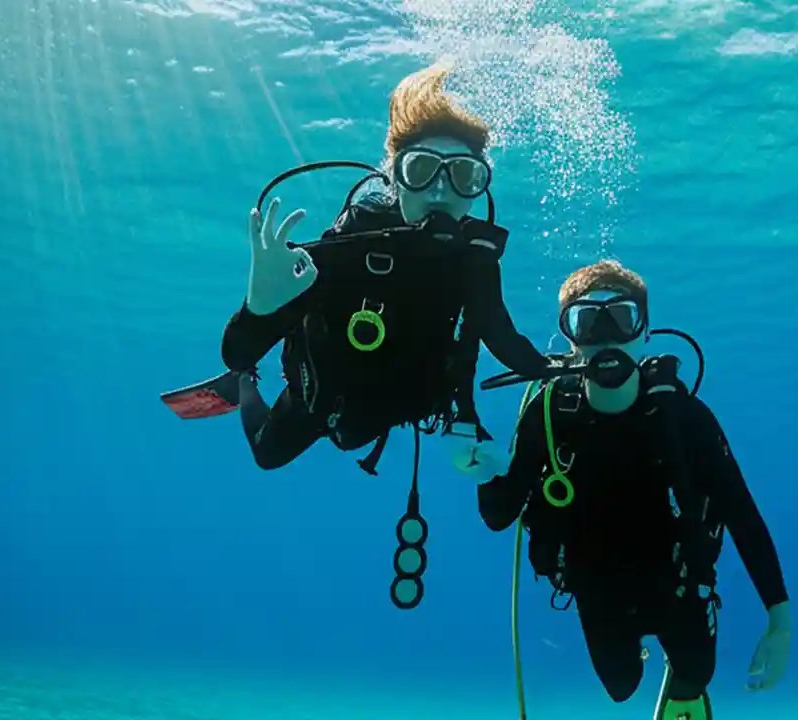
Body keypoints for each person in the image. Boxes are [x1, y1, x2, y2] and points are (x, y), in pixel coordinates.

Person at [161, 61, 556, 610]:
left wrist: (566, 367)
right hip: (321, 399)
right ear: (394, 175)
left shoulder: (474, 261)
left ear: (477, 188)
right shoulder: (349, 246)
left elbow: (498, 336)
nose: (442, 192)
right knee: (266, 455)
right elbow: (239, 346)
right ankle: (243, 387)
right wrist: (259, 308)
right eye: (422, 171)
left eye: (463, 177)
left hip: (397, 406)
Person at [474, 260, 793, 719]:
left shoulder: (684, 417)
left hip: (679, 582)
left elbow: (741, 513)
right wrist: (486, 473)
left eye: (621, 318)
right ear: (570, 338)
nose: (606, 337)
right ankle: (643, 658)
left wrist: (779, 619)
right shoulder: (549, 415)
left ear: (643, 332)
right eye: (586, 321)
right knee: (620, 688)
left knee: (695, 675)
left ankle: (682, 678)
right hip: (595, 585)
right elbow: (499, 516)